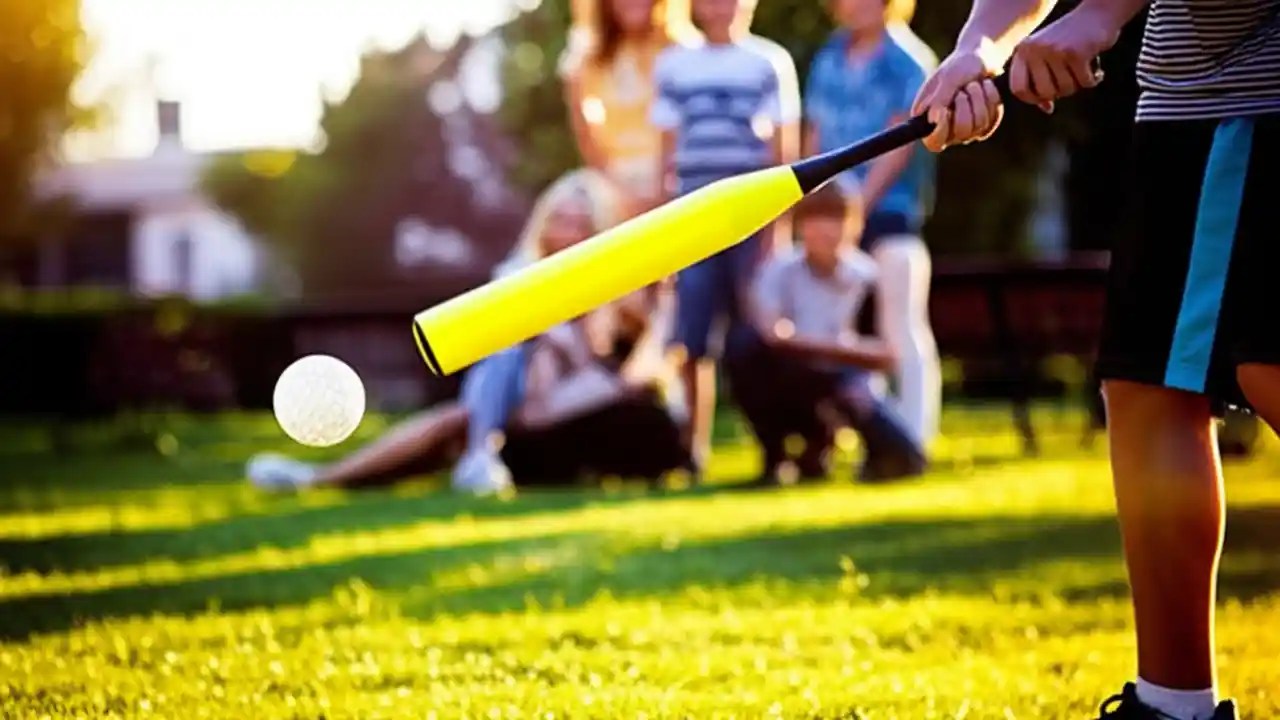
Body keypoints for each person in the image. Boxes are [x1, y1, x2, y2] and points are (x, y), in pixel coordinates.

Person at [911, 0, 1278, 716]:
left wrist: (1101, 12)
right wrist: (982, 45)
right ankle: (1173, 704)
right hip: (1189, 101)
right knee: (1150, 388)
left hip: (1259, 94)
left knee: (1265, 366)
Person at [247, 170, 689, 494]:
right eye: (559, 219)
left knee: (463, 418)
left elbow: (645, 371)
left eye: (579, 222)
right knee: (475, 393)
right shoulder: (518, 277)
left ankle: (472, 453)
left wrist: (574, 345)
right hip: (521, 413)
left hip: (583, 417)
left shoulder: (622, 295)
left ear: (599, 229)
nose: (566, 232)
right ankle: (320, 479)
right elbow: (522, 389)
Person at [650, 0, 802, 476]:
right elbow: (666, 156)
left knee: (755, 336)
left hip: (749, 214)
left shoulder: (768, 62)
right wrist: (665, 230)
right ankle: (693, 452)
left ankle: (774, 449)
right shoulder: (673, 66)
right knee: (693, 340)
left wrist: (777, 230)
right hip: (694, 214)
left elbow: (784, 152)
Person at [803, 0, 941, 448]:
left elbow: (900, 142)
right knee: (838, 330)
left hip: (890, 215)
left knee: (899, 322)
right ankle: (868, 435)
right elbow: (815, 137)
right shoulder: (828, 58)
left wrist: (856, 207)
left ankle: (914, 437)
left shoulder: (910, 61)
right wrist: (815, 208)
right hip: (829, 219)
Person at [726, 182, 927, 485]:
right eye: (815, 219)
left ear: (854, 226)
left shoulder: (867, 277)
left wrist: (811, 345)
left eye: (834, 219)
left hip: (844, 381)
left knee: (905, 455)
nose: (824, 231)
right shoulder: (781, 269)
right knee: (742, 349)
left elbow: (887, 354)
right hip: (792, 376)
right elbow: (768, 334)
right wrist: (838, 348)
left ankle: (840, 451)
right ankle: (776, 454)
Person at [561, 0, 697, 214]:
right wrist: (619, 191)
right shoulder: (592, 58)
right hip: (615, 180)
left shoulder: (682, 50)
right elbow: (586, 134)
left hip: (675, 175)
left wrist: (663, 186)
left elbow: (691, 124)